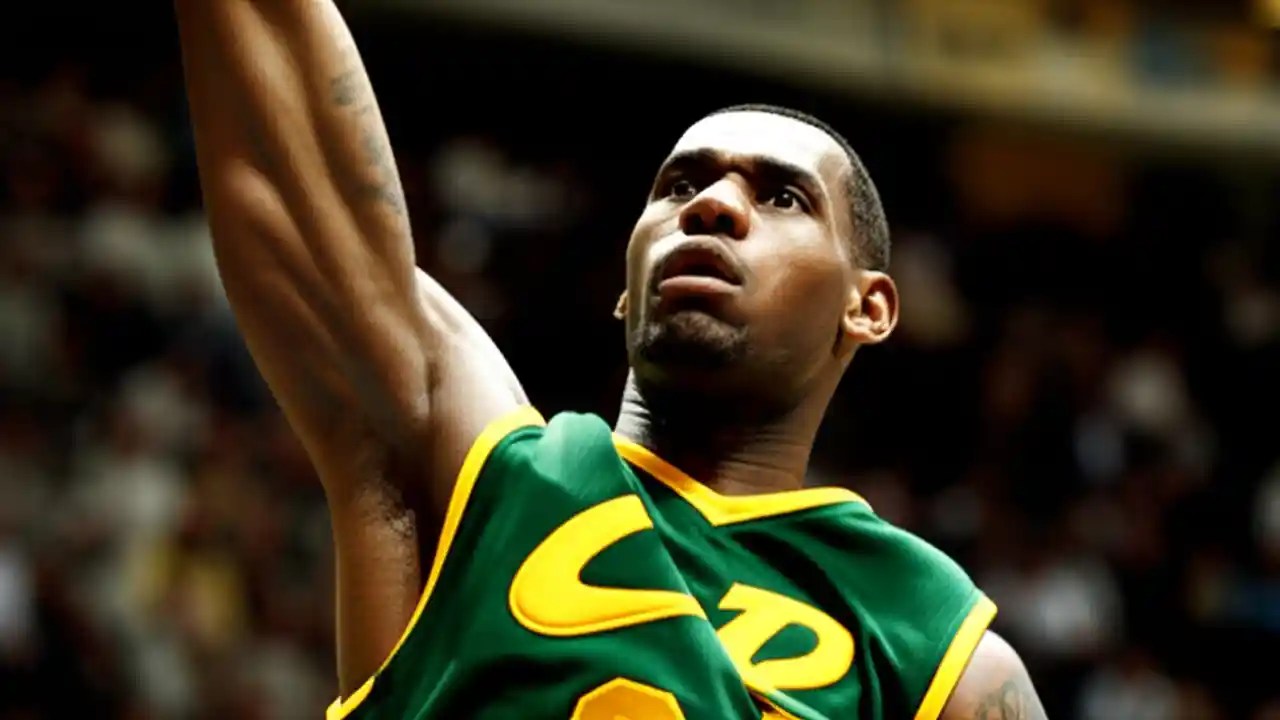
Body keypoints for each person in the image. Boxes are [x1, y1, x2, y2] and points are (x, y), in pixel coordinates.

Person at [173, 1, 1048, 718]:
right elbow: (287, 148)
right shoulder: (484, 473)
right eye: (677, 185)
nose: (709, 205)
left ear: (869, 307)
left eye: (781, 196)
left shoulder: (933, 648)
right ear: (627, 290)